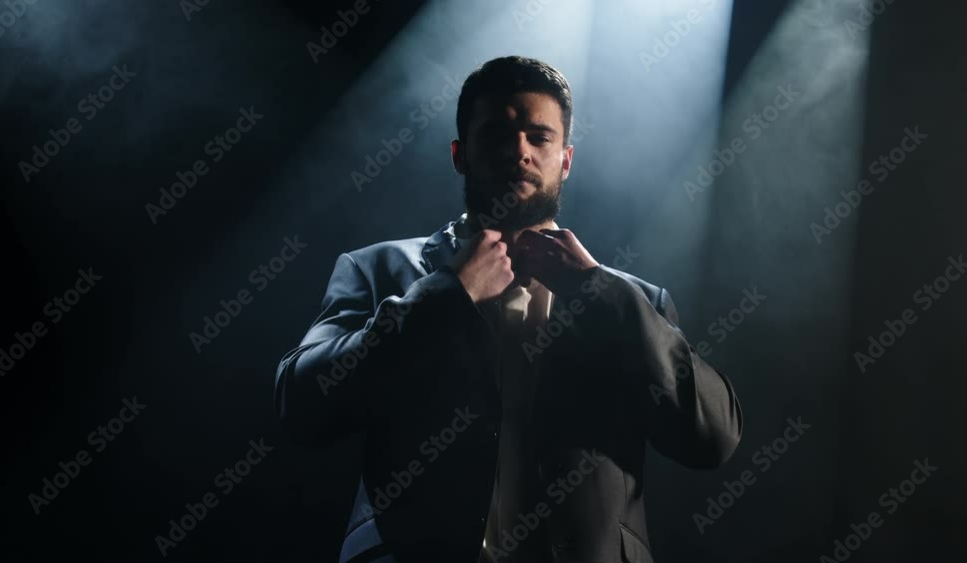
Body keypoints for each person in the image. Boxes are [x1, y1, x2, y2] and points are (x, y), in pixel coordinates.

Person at [274, 55, 743, 563]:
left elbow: (711, 439)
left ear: (565, 159)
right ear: (460, 155)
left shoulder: (635, 300)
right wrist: (444, 296)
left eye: (539, 138)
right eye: (497, 134)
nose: (519, 151)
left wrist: (599, 293)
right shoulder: (378, 270)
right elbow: (302, 406)